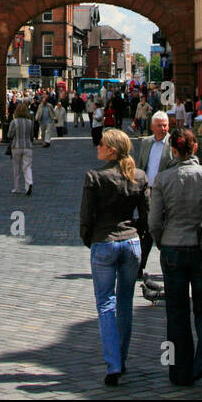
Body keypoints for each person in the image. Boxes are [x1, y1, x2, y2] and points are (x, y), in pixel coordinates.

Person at [149, 127, 202, 392]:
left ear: (173, 149)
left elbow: (154, 220)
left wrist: (160, 240)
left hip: (173, 247)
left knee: (177, 312)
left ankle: (181, 372)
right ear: (195, 148)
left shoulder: (163, 179)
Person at [80, 127, 149, 386]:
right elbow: (147, 214)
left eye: (101, 144)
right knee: (125, 303)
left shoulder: (94, 177)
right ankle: (122, 358)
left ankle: (113, 364)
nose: (97, 146)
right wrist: (138, 236)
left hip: (105, 242)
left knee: (105, 304)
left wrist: (90, 239)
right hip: (131, 243)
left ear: (111, 150)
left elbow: (86, 216)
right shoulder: (139, 176)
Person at [134, 111, 178, 280]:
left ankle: (169, 267)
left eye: (165, 125)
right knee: (145, 229)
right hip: (147, 192)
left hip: (165, 194)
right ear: (152, 127)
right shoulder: (146, 143)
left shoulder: (172, 144)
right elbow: (141, 165)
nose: (163, 128)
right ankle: (139, 266)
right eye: (160, 125)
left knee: (161, 230)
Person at [7, 103, 35, 196]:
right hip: (28, 146)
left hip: (16, 146)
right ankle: (29, 183)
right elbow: (32, 135)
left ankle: (17, 188)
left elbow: (9, 135)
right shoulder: (30, 122)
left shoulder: (14, 122)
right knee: (27, 167)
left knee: (16, 167)